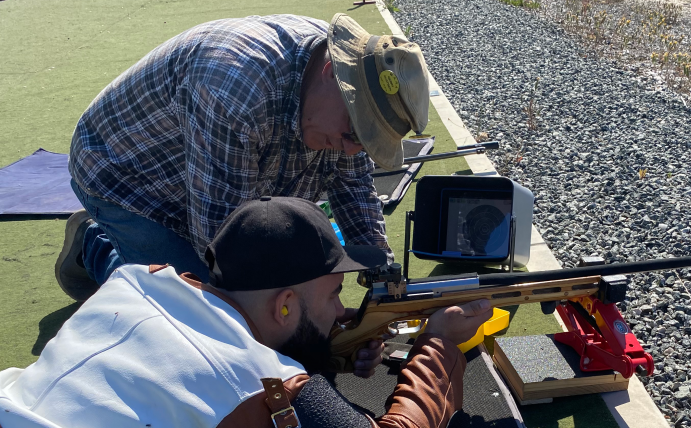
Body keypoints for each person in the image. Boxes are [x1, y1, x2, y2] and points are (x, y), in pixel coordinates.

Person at [0, 196, 493, 428]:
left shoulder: (136, 279)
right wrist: (438, 343)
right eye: (333, 294)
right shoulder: (258, 383)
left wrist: (333, 351)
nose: (342, 312)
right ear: (283, 306)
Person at [55, 12, 430, 301]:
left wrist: (381, 269)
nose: (352, 150)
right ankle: (95, 244)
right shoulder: (235, 91)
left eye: (366, 142)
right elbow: (221, 245)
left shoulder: (346, 85)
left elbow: (352, 182)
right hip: (128, 175)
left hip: (217, 167)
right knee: (197, 306)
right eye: (354, 133)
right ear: (331, 73)